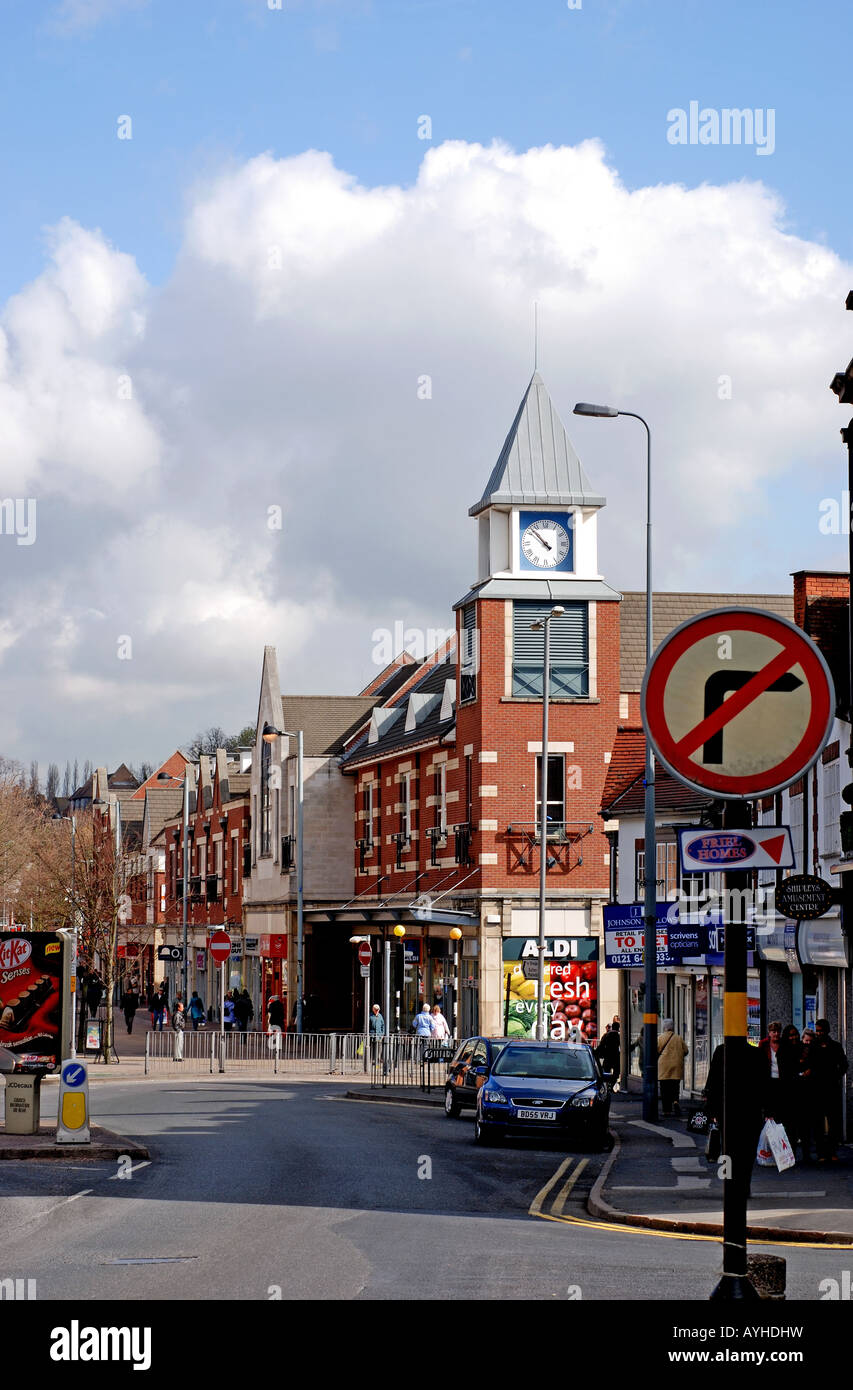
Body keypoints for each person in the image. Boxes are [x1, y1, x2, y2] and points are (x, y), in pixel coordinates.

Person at [811, 1018, 849, 1163]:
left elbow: (844, 1064)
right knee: (818, 1123)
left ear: (827, 1031)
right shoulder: (814, 1046)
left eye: (821, 1031)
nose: (819, 1033)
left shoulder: (835, 1047)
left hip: (832, 1088)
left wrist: (837, 1076)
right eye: (817, 1031)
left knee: (834, 1122)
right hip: (817, 1089)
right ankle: (821, 1153)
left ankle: (832, 1151)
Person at [657, 1019, 689, 1115]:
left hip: (664, 1066)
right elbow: (686, 1050)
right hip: (676, 1065)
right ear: (672, 1027)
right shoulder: (679, 1038)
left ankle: (667, 1110)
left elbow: (657, 1050)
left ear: (664, 1027)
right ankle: (675, 1101)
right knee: (675, 1086)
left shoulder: (660, 1038)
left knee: (664, 1088)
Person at [758, 1021, 783, 1122]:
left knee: (780, 1108)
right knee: (769, 1109)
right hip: (768, 1080)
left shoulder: (783, 1044)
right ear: (769, 1032)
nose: (776, 1034)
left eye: (778, 1031)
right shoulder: (763, 1044)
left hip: (781, 1080)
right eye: (773, 1031)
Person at [595, 1020, 621, 1092]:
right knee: (616, 1072)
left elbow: (601, 1045)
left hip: (607, 1057)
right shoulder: (619, 1036)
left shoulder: (606, 1035)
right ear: (618, 1028)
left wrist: (597, 1053)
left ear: (612, 1027)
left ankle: (607, 1085)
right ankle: (611, 1085)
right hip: (616, 1057)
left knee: (606, 1071)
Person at [171, 995, 185, 1061]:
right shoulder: (177, 1014)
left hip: (179, 1030)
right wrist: (178, 1029)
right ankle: (178, 1057)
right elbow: (176, 1023)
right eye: (182, 1007)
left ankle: (178, 1056)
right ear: (179, 1008)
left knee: (179, 1044)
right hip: (178, 1031)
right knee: (178, 1044)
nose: (183, 1008)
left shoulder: (179, 1014)